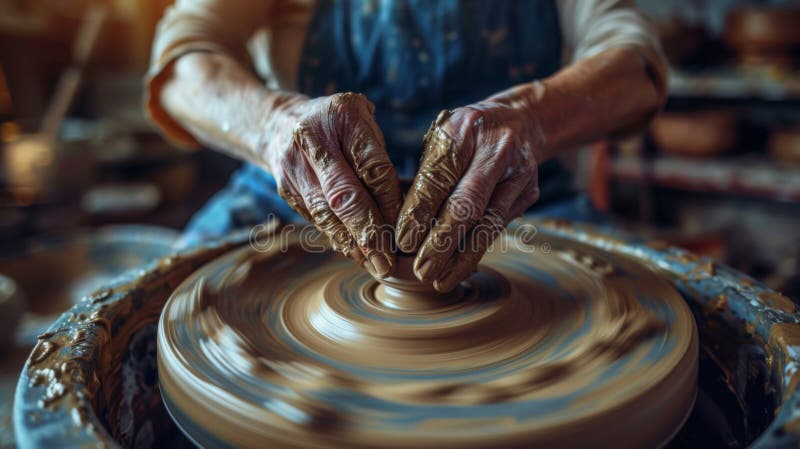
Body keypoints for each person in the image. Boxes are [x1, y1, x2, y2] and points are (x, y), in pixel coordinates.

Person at [146, 0, 667, 292]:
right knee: (165, 309)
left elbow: (633, 61)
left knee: (662, 307)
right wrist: (272, 125)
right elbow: (184, 59)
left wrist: (530, 120)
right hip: (298, 185)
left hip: (510, 193)